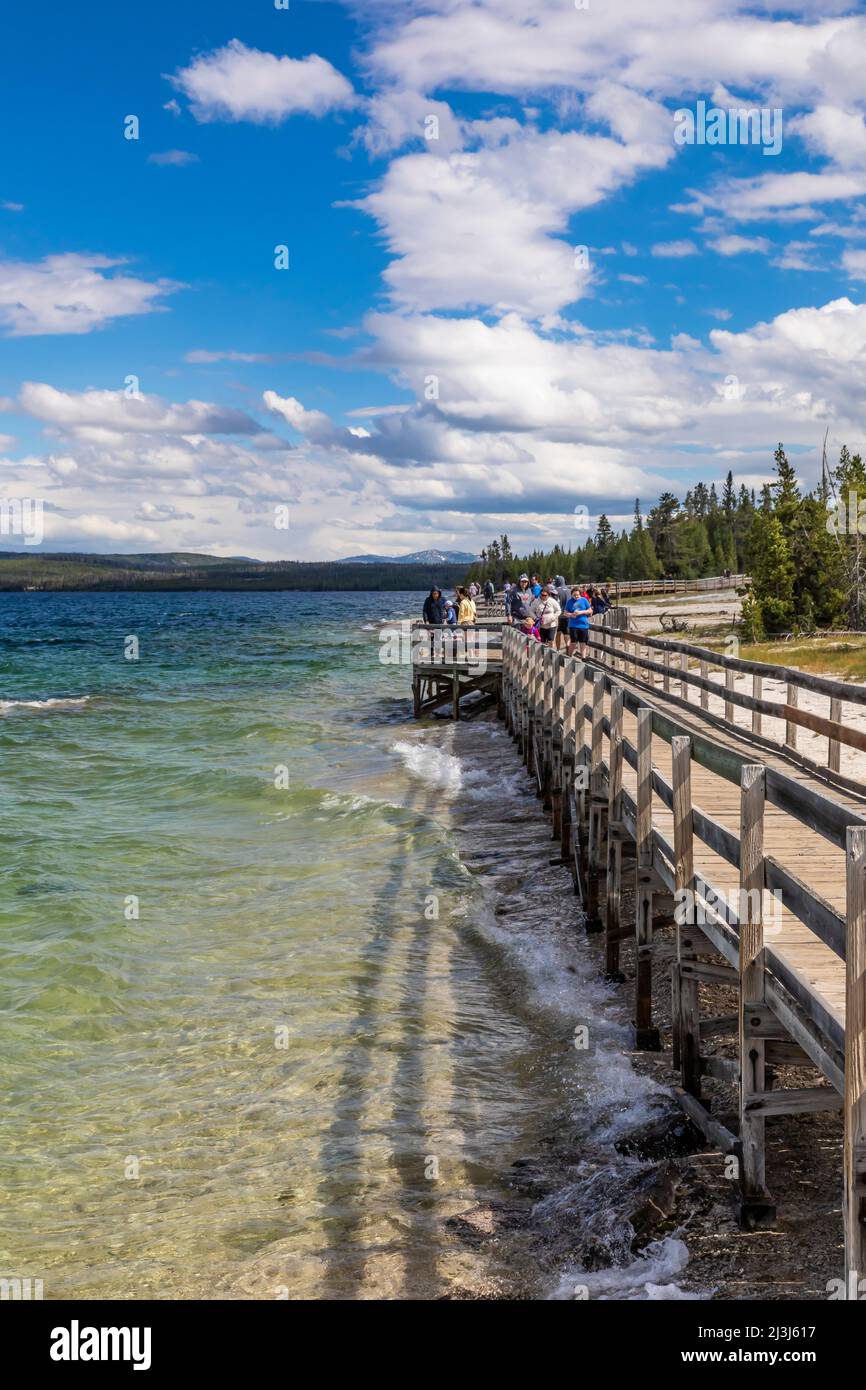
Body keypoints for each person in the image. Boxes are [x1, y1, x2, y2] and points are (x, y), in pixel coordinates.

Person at [565, 585, 592, 657]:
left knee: (583, 642)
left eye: (577, 595)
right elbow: (565, 613)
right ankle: (569, 656)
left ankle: (583, 658)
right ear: (571, 595)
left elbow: (590, 611)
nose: (576, 596)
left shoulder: (584, 600)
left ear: (580, 594)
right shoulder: (569, 602)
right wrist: (571, 614)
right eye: (574, 595)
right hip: (573, 625)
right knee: (573, 642)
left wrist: (581, 612)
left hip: (583, 625)